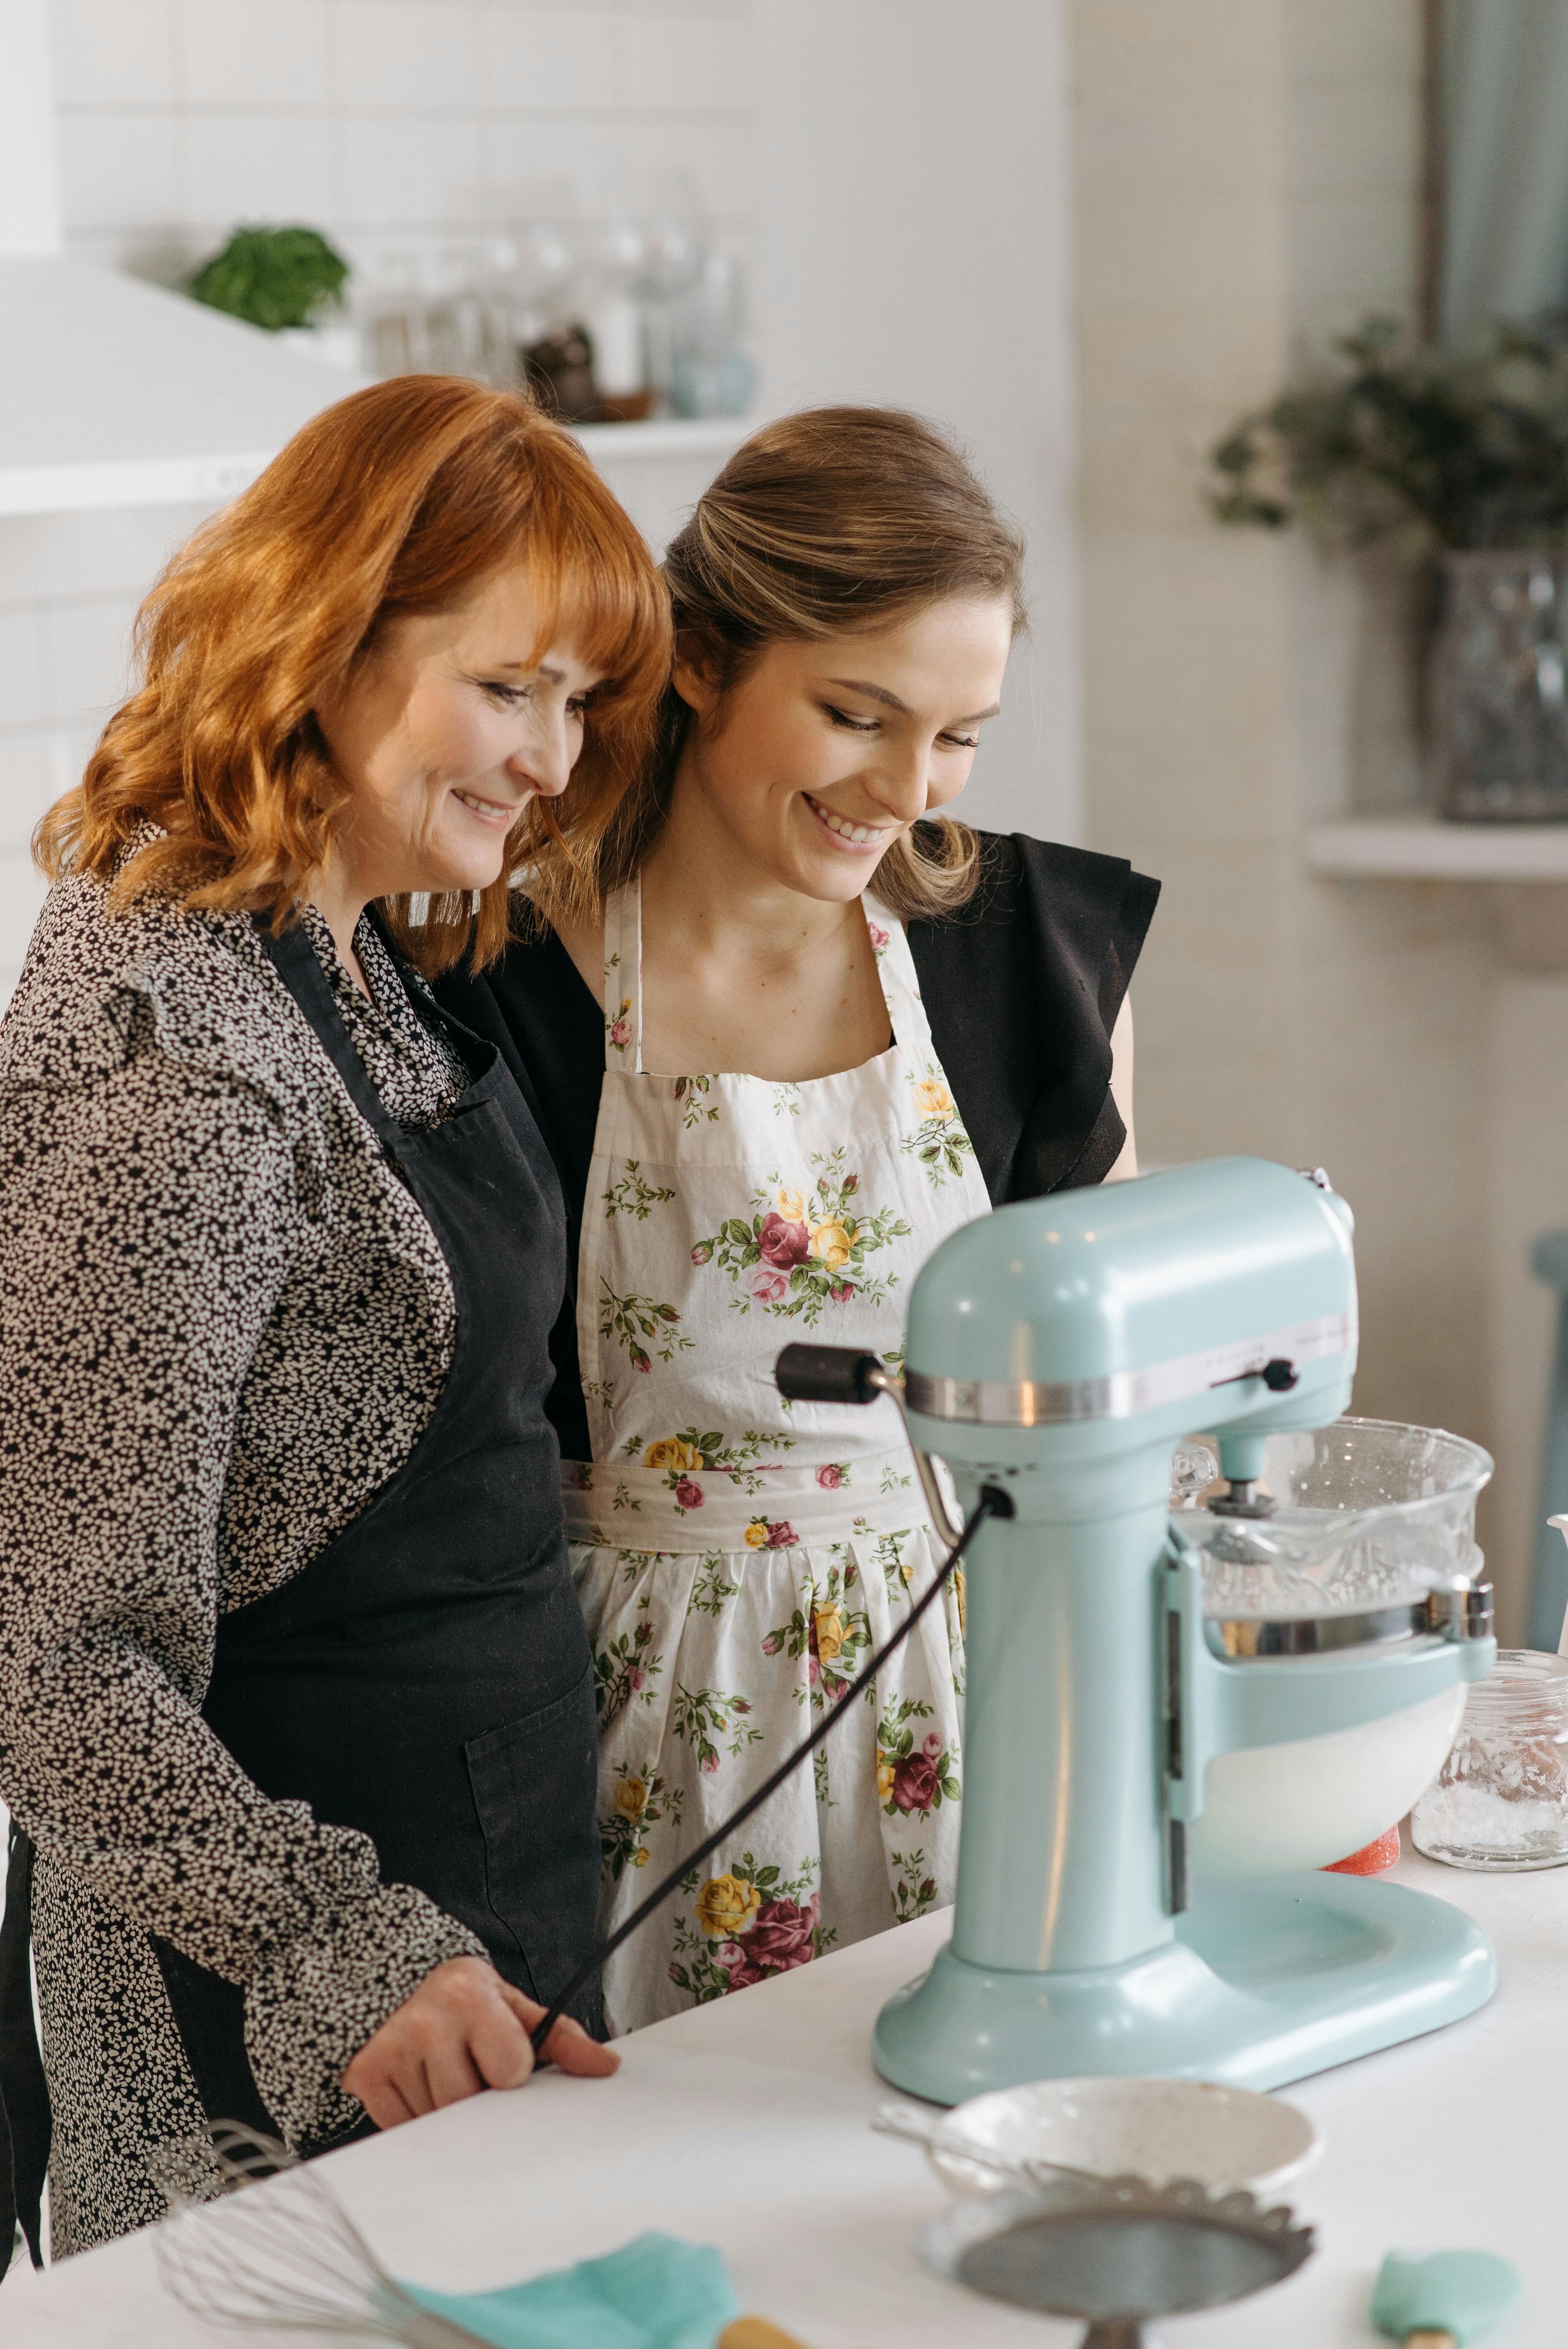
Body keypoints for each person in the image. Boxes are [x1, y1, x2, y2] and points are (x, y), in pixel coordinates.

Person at [0, 375, 669, 2257]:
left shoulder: (364, 939)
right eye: (503, 685)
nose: (549, 756)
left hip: (480, 1905)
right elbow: (52, 1663)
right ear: (324, 639)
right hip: (292, 2000)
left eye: (579, 701)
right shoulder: (183, 1066)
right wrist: (342, 1953)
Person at [438, 408, 1159, 2035]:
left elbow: (1120, 1414)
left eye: (960, 734)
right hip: (638, 1748)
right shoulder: (502, 978)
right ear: (702, 663)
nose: (907, 793)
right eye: (859, 715)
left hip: (988, 1708)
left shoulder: (1036, 959)